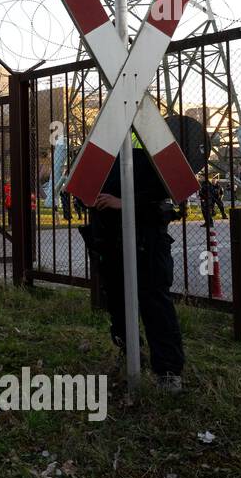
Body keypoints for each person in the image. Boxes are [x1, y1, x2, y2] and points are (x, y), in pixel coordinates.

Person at [78, 133, 185, 392]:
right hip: (109, 238)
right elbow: (82, 186)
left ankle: (168, 372)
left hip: (146, 240)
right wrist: (88, 199)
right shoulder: (105, 135)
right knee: (117, 302)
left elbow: (171, 198)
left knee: (155, 304)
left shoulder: (153, 134)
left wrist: (126, 203)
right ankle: (130, 355)